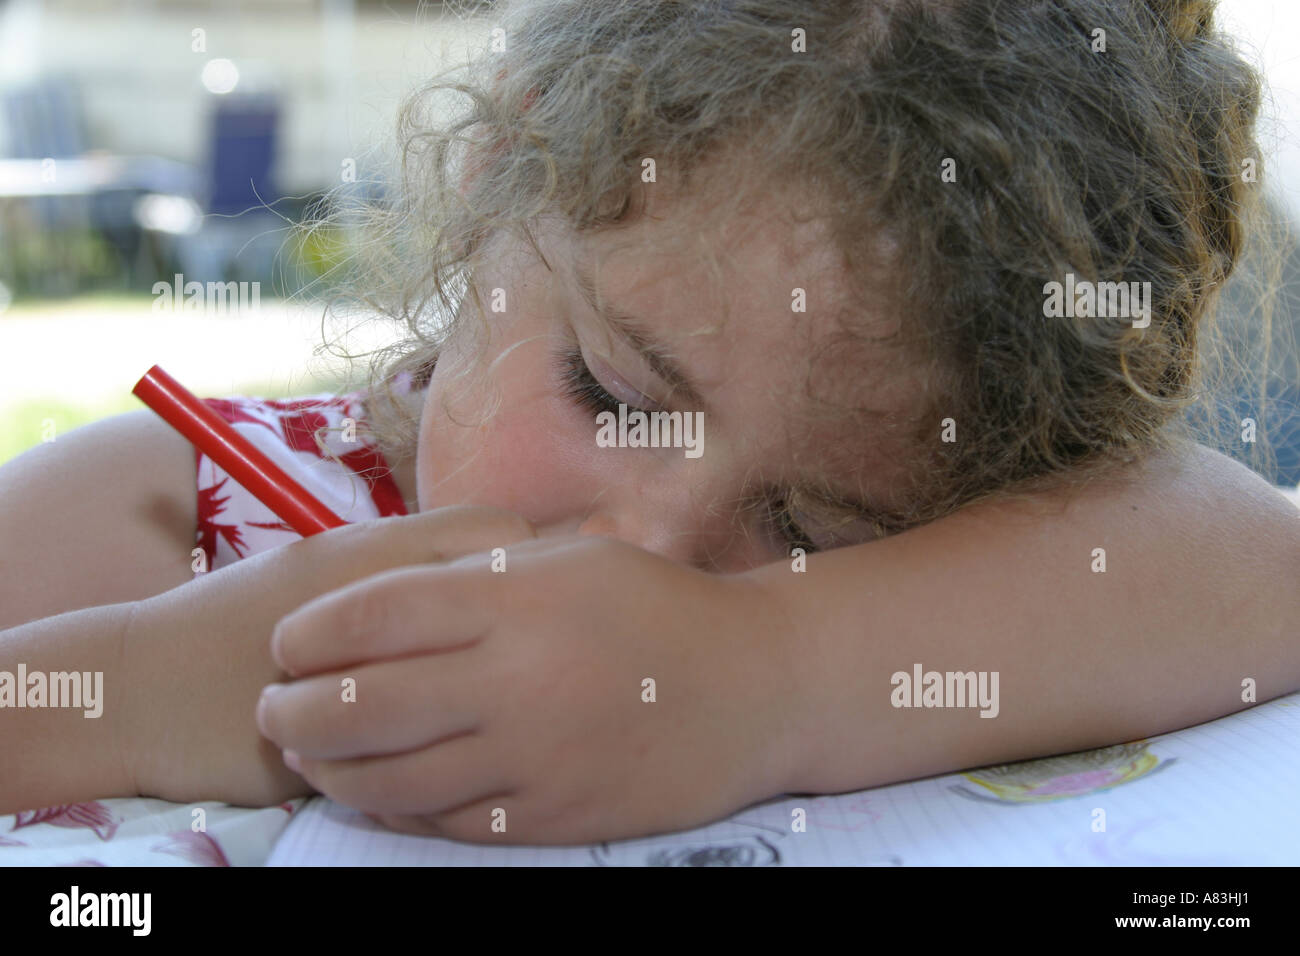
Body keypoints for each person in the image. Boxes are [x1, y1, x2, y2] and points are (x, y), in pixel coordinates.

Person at [2, 0, 1297, 846]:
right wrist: (156, 682)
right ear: (499, 169)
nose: (647, 548)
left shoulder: (968, 578)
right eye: (610, 396)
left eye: (808, 523)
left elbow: (1260, 567)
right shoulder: (170, 515)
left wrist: (757, 672)